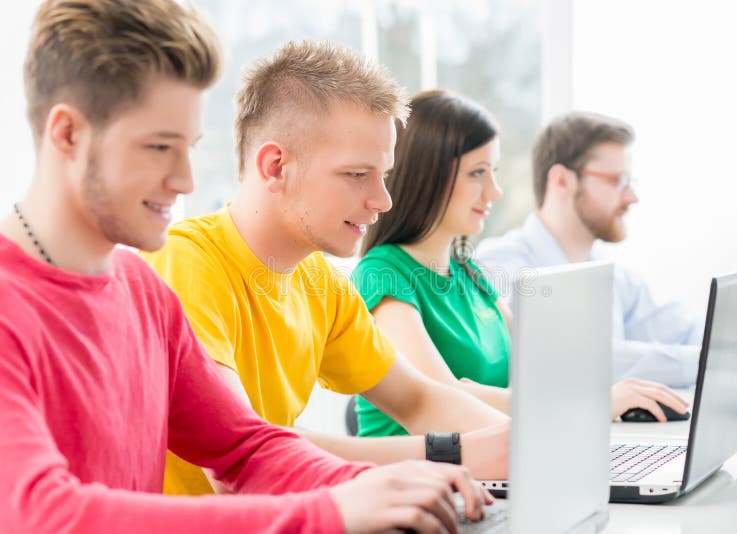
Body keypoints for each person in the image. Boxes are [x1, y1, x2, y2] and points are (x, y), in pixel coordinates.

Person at [0, 2, 489, 532]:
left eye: (189, 148)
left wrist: (371, 484)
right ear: (68, 135)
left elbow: (245, 449)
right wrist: (332, 508)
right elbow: (44, 513)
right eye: (159, 147)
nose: (185, 181)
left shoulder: (142, 290)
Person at [141, 40, 510, 496]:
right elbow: (240, 462)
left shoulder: (319, 282)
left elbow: (418, 399)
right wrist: (455, 454)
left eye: (383, 176)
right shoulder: (185, 263)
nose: (383, 201)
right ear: (276, 167)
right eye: (356, 175)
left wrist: (525, 445)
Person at [350, 90, 688, 437]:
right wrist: (591, 403)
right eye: (477, 173)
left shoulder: (470, 273)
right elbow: (442, 398)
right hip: (417, 468)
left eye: (493, 171)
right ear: (428, 177)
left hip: (487, 461)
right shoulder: (382, 274)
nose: (494, 191)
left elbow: (547, 371)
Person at [477, 111, 737, 387]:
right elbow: (582, 359)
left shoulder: (613, 277)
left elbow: (681, 330)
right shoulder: (502, 266)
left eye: (629, 181)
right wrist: (725, 362)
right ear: (561, 180)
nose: (631, 197)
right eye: (615, 180)